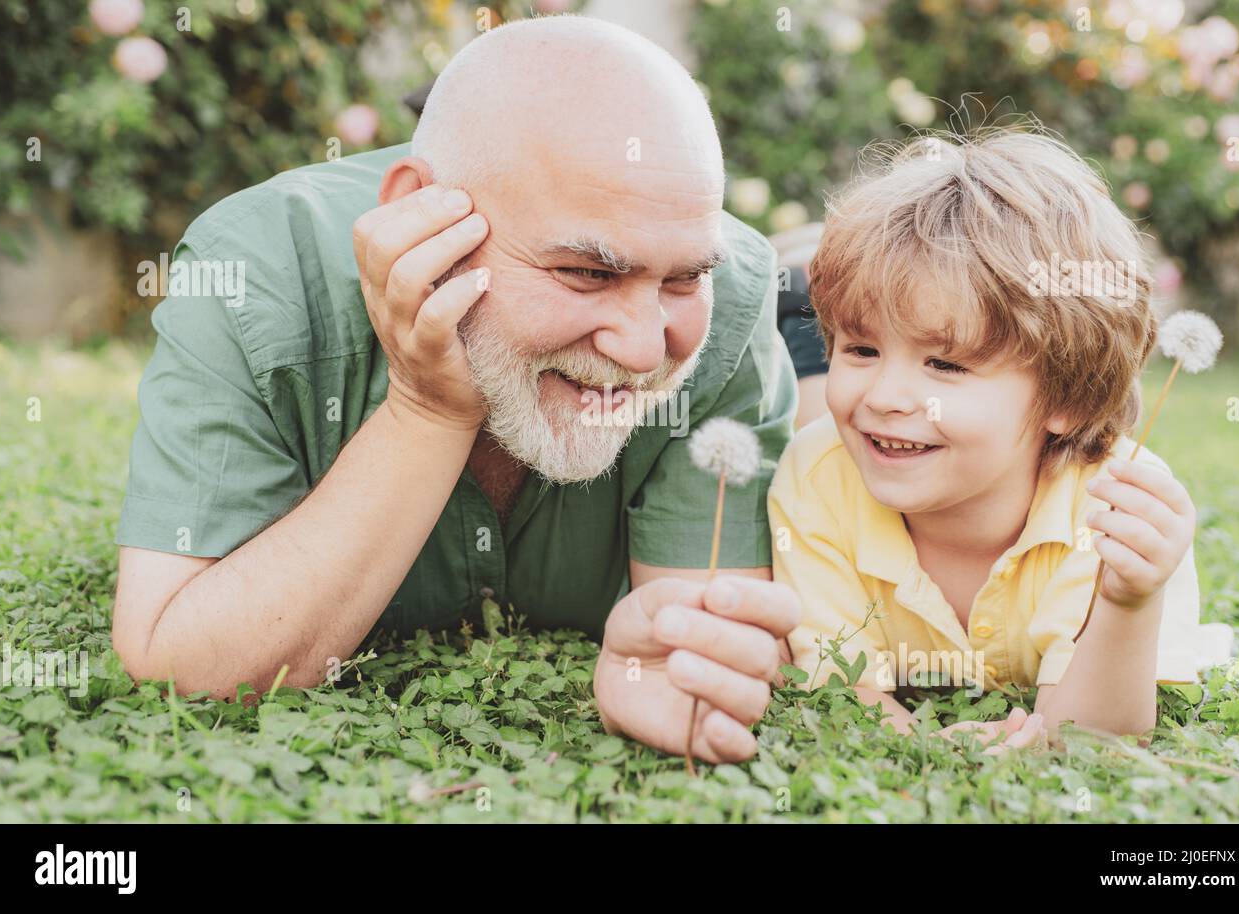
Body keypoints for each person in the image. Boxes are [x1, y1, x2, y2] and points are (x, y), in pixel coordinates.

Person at [111, 16, 800, 765]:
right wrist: (427, 408)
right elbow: (182, 667)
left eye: (682, 277)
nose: (642, 349)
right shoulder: (252, 275)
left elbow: (697, 652)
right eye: (588, 273)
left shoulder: (732, 301)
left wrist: (677, 665)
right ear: (423, 213)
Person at [768, 127, 1232, 747]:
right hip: (797, 351)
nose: (884, 395)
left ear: (1068, 396)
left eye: (947, 364)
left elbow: (1097, 736)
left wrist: (1127, 604)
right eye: (862, 348)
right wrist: (921, 744)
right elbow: (833, 687)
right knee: (798, 367)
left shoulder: (1113, 507)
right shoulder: (816, 475)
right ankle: (794, 288)